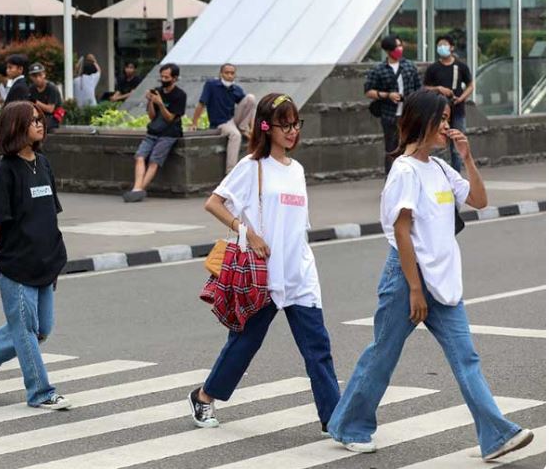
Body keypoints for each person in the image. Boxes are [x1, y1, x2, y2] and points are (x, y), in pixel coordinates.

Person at [327, 89, 534, 460]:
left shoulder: (440, 168)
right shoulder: (404, 172)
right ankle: (349, 425)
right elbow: (402, 232)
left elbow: (479, 200)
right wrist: (413, 289)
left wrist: (468, 159)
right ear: (421, 122)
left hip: (443, 280)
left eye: (448, 119)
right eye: (440, 119)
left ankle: (495, 436)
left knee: (466, 358)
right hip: (408, 277)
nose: (447, 126)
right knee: (383, 355)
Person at [188, 93, 340, 431]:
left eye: (295, 124)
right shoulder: (252, 167)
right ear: (267, 127)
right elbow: (214, 203)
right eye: (284, 125)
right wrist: (247, 232)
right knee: (244, 343)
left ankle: (335, 420)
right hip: (263, 276)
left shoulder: (297, 170)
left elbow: (298, 225)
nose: (292, 131)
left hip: (299, 274)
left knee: (318, 349)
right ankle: (204, 396)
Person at [0, 101, 70, 410]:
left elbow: (49, 213)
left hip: (46, 261)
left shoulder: (42, 163)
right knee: (26, 331)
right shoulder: (6, 171)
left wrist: (56, 259)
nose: (40, 125)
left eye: (40, 119)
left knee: (42, 329)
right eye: (32, 121)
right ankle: (40, 392)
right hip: (16, 266)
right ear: (17, 127)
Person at [123, 63, 187, 202]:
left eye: (167, 77)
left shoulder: (180, 95)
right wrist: (151, 102)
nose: (164, 80)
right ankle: (137, 189)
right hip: (153, 131)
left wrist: (160, 103)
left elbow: (170, 118)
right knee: (140, 156)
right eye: (162, 77)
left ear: (174, 78)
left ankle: (139, 190)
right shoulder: (157, 91)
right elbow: (152, 116)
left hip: (169, 133)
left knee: (154, 161)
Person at [365, 35, 421, 174]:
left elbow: (418, 88)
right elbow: (368, 91)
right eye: (396, 47)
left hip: (409, 113)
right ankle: (391, 180)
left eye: (400, 45)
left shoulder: (409, 66)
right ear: (388, 50)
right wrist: (387, 95)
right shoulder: (379, 70)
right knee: (391, 149)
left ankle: (410, 177)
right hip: (389, 115)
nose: (399, 49)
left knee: (411, 146)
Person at [423, 35, 474, 172]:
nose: (441, 48)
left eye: (444, 44)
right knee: (438, 147)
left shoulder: (460, 66)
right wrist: (438, 89)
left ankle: (455, 176)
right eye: (439, 45)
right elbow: (425, 87)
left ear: (451, 47)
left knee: (456, 146)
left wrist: (461, 98)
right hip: (439, 112)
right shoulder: (433, 68)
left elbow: (470, 85)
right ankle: (439, 174)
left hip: (457, 111)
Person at [191, 63, 248, 171]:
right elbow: (201, 104)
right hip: (220, 123)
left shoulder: (236, 89)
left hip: (233, 120)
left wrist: (252, 127)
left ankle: (243, 128)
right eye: (227, 73)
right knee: (235, 135)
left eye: (232, 73)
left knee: (250, 98)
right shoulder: (211, 85)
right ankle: (231, 172)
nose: (229, 76)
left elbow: (248, 108)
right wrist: (194, 123)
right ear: (221, 74)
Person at [28, 62, 62, 133]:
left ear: (44, 74)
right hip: (38, 116)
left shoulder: (51, 88)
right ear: (31, 77)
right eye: (34, 76)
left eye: (40, 75)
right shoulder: (31, 89)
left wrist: (35, 102)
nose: (38, 78)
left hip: (53, 117)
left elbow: (50, 109)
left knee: (40, 127)